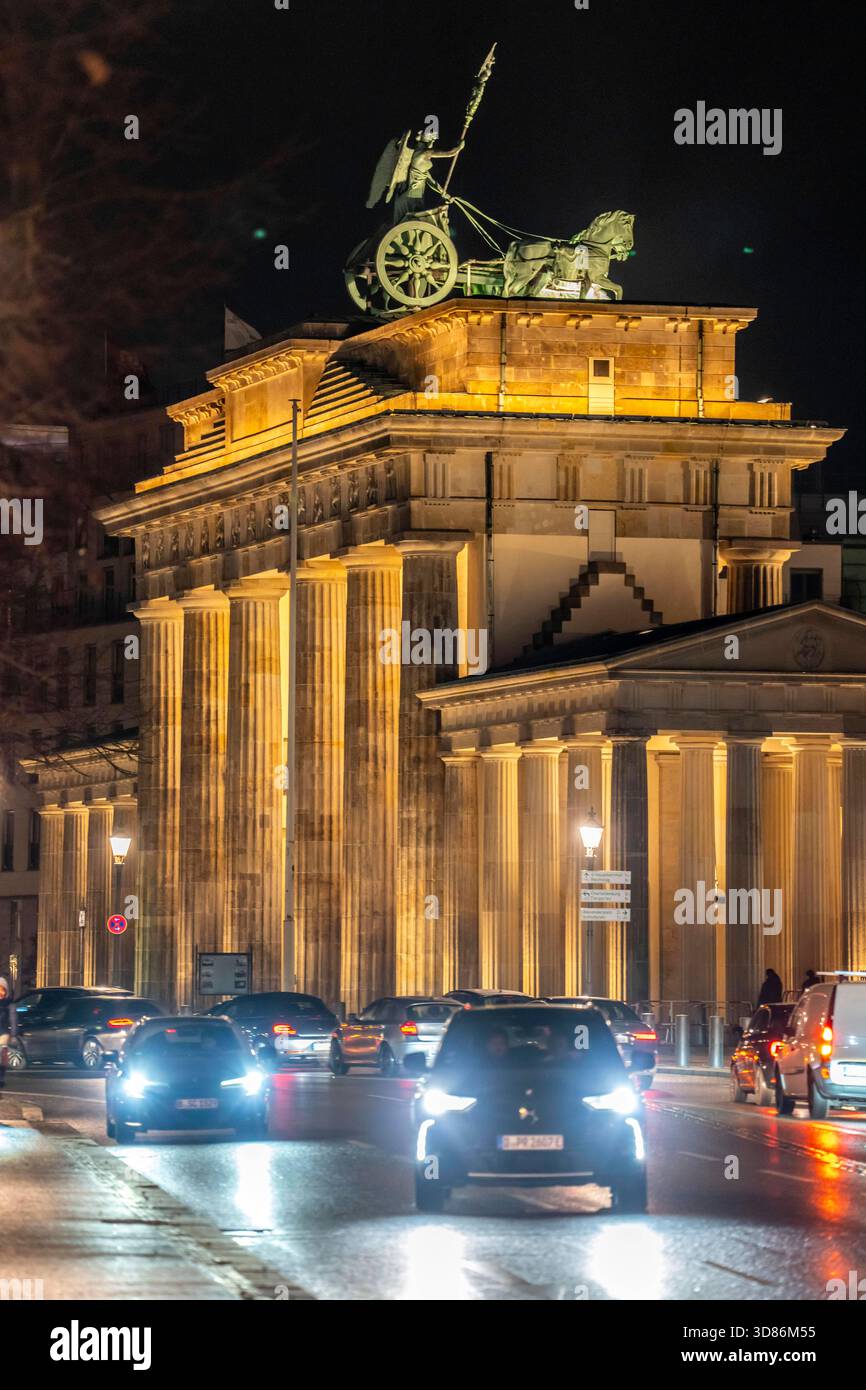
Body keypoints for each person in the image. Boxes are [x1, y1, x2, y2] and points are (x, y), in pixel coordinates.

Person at [0, 976, 17, 1090]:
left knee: (2, 1051)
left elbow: (13, 1018)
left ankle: (1, 1076)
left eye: (2, 989)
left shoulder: (9, 1003)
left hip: (4, 1031)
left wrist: (14, 1034)